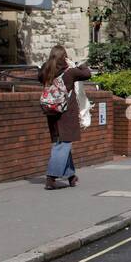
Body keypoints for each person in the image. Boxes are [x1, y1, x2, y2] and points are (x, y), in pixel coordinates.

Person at [39, 45, 93, 190]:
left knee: (62, 142)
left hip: (51, 111)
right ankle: (51, 177)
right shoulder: (70, 72)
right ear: (65, 56)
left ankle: (71, 176)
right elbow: (87, 74)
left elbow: (40, 77)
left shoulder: (46, 70)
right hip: (66, 114)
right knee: (62, 144)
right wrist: (79, 64)